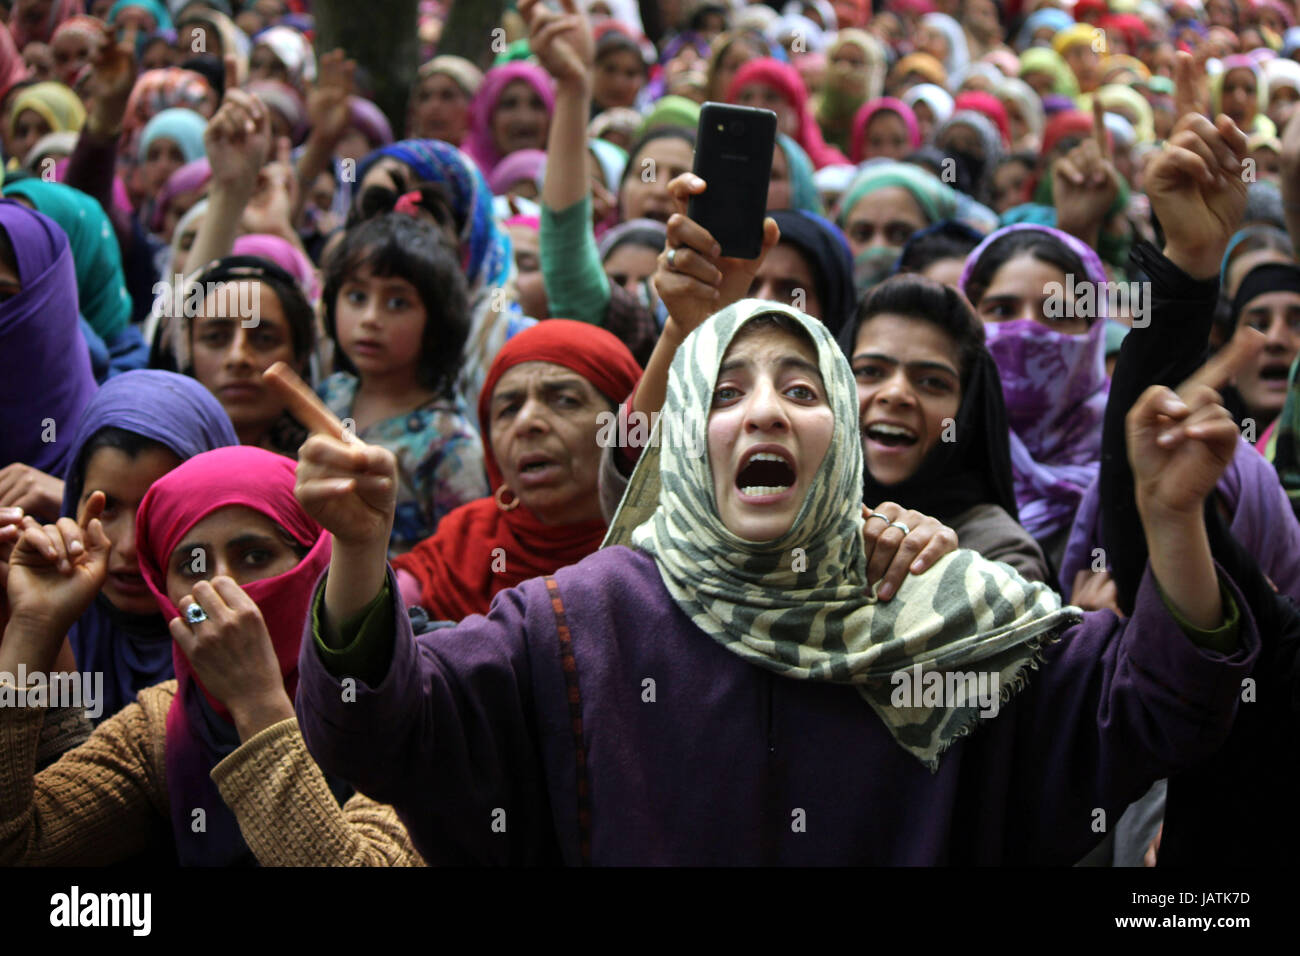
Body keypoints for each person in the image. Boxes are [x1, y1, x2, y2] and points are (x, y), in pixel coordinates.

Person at [288, 291, 1258, 865]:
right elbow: (375, 729)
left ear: (838, 440)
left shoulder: (944, 609)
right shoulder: (580, 616)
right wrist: (362, 554)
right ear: (686, 443)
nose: (762, 414)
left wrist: (1171, 520)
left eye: (800, 390)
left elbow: (1162, 711)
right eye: (725, 392)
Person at [0, 445, 423, 866]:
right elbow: (18, 847)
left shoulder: (410, 701)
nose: (225, 586)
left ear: (316, 560)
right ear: (164, 591)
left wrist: (256, 704)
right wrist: (33, 629)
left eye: (255, 556)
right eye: (192, 565)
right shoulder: (163, 727)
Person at [392, 320, 641, 619]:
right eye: (508, 409)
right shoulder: (462, 544)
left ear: (625, 425)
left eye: (565, 401)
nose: (526, 422)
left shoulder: (665, 547)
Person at [840, 274, 1050, 582]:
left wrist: (943, 572)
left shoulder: (997, 552)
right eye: (870, 371)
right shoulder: (785, 512)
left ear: (967, 410)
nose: (896, 394)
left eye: (932, 382)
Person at [318, 211, 489, 555]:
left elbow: (460, 562)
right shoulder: (331, 395)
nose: (369, 319)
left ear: (437, 323)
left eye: (397, 302)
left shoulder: (448, 445)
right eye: (356, 296)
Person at [959, 223, 1109, 569]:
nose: (1027, 330)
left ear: (1094, 328)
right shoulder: (934, 447)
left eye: (1057, 312)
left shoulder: (1134, 450)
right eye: (1002, 310)